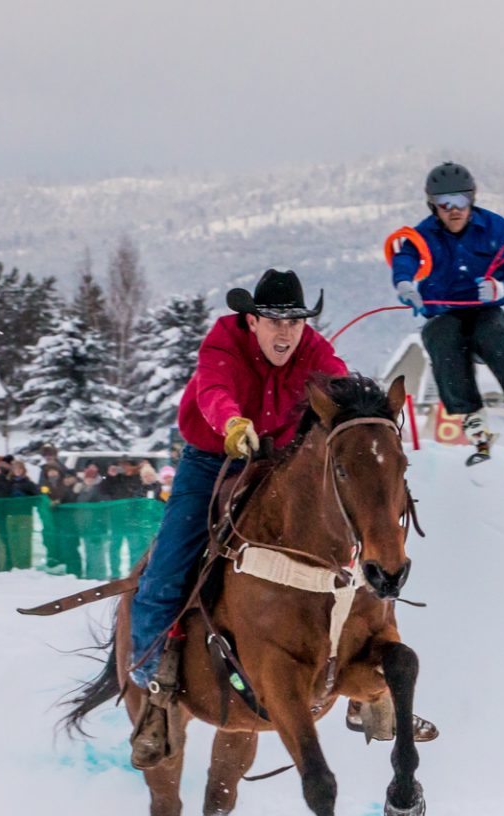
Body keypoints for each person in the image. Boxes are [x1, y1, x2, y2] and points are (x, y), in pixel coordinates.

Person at [126, 267, 347, 767]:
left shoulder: (315, 352)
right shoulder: (222, 343)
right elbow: (213, 390)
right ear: (252, 321)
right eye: (274, 320)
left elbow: (340, 386)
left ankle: (367, 677)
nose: (286, 332)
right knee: (168, 566)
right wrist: (230, 422)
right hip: (213, 459)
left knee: (354, 548)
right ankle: (156, 690)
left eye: (295, 322)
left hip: (281, 462)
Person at [390, 161, 504, 467]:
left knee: (494, 338)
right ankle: (471, 416)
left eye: (461, 201)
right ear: (433, 205)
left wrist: (503, 289)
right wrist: (404, 284)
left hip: (485, 311)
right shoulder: (423, 234)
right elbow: (405, 257)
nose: (454, 210)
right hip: (443, 314)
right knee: (440, 339)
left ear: (472, 199)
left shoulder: (496, 229)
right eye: (445, 203)